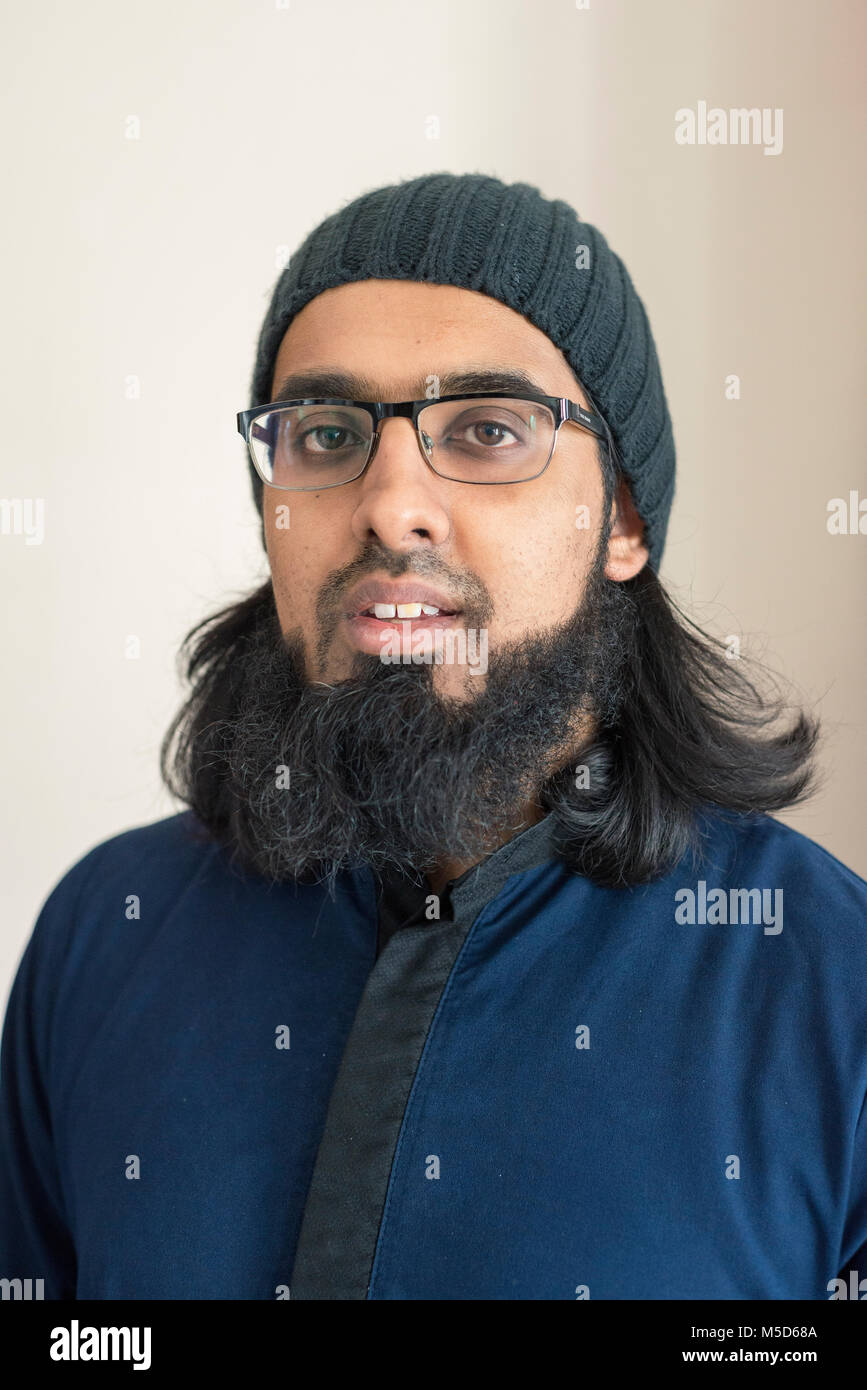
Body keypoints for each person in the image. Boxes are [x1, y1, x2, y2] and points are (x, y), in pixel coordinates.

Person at [1, 172, 865, 1301]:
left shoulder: (830, 985)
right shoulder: (100, 938)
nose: (390, 501)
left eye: (491, 430)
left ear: (625, 520)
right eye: (326, 433)